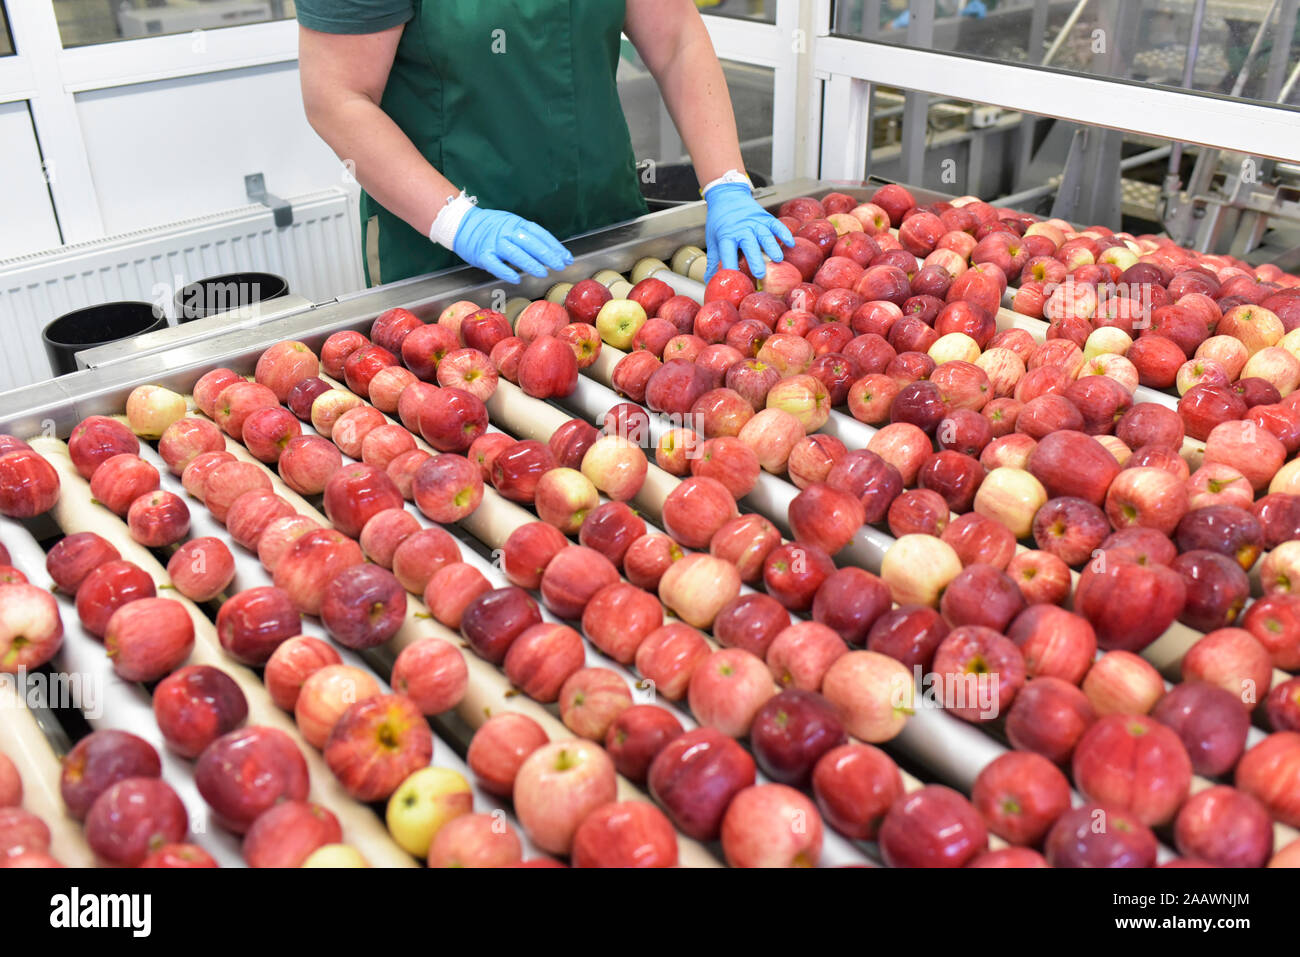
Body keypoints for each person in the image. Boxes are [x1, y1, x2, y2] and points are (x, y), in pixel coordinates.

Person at [295, 0, 793, 287]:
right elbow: (337, 99)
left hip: (607, 228)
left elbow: (676, 40)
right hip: (447, 251)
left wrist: (727, 184)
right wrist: (456, 220)